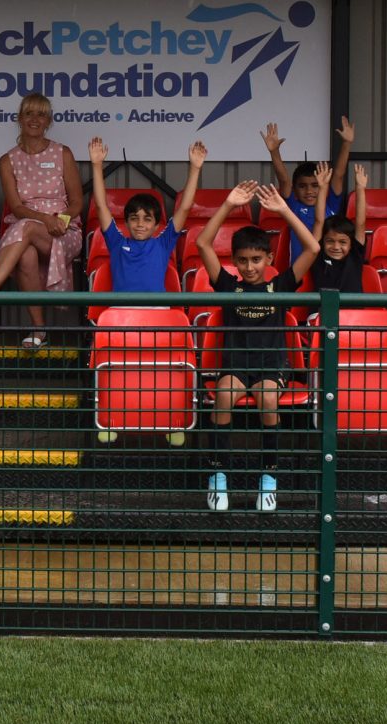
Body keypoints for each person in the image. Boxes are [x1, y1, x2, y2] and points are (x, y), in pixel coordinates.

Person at [195, 181, 322, 515]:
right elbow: (202, 243)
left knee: (267, 397)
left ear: (268, 258)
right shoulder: (227, 286)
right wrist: (227, 204)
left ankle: (269, 478)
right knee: (223, 395)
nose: (249, 267)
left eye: (256, 259)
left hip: (270, 367)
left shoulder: (279, 286)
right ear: (234, 262)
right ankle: (218, 476)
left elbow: (312, 249)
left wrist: (284, 211)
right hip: (235, 365)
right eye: (242, 260)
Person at [0, 94, 85, 346]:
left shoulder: (63, 153)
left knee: (24, 228)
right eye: (29, 113)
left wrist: (61, 220)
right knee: (25, 252)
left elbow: (78, 201)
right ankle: (39, 331)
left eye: (41, 114)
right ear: (19, 118)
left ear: (48, 121)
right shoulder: (7, 161)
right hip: (27, 226)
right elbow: (16, 206)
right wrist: (42, 219)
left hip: (63, 231)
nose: (35, 119)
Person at [79, 137, 205, 297]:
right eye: (134, 218)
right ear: (126, 222)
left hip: (156, 311)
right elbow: (101, 206)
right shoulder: (117, 242)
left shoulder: (163, 244)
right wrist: (97, 166)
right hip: (121, 312)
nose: (140, 224)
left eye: (147, 219)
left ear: (156, 225)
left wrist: (195, 169)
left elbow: (185, 208)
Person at [266, 115, 356, 232]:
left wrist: (346, 143)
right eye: (302, 186)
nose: (309, 191)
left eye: (315, 185)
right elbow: (284, 180)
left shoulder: (331, 204)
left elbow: (338, 174)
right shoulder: (293, 207)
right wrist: (274, 152)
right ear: (295, 191)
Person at [306, 161, 370, 294]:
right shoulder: (317, 256)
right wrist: (323, 187)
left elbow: (360, 223)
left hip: (353, 314)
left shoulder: (355, 255)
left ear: (351, 244)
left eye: (342, 242)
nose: (336, 247)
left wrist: (360, 189)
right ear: (322, 242)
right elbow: (318, 221)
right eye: (330, 241)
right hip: (321, 314)